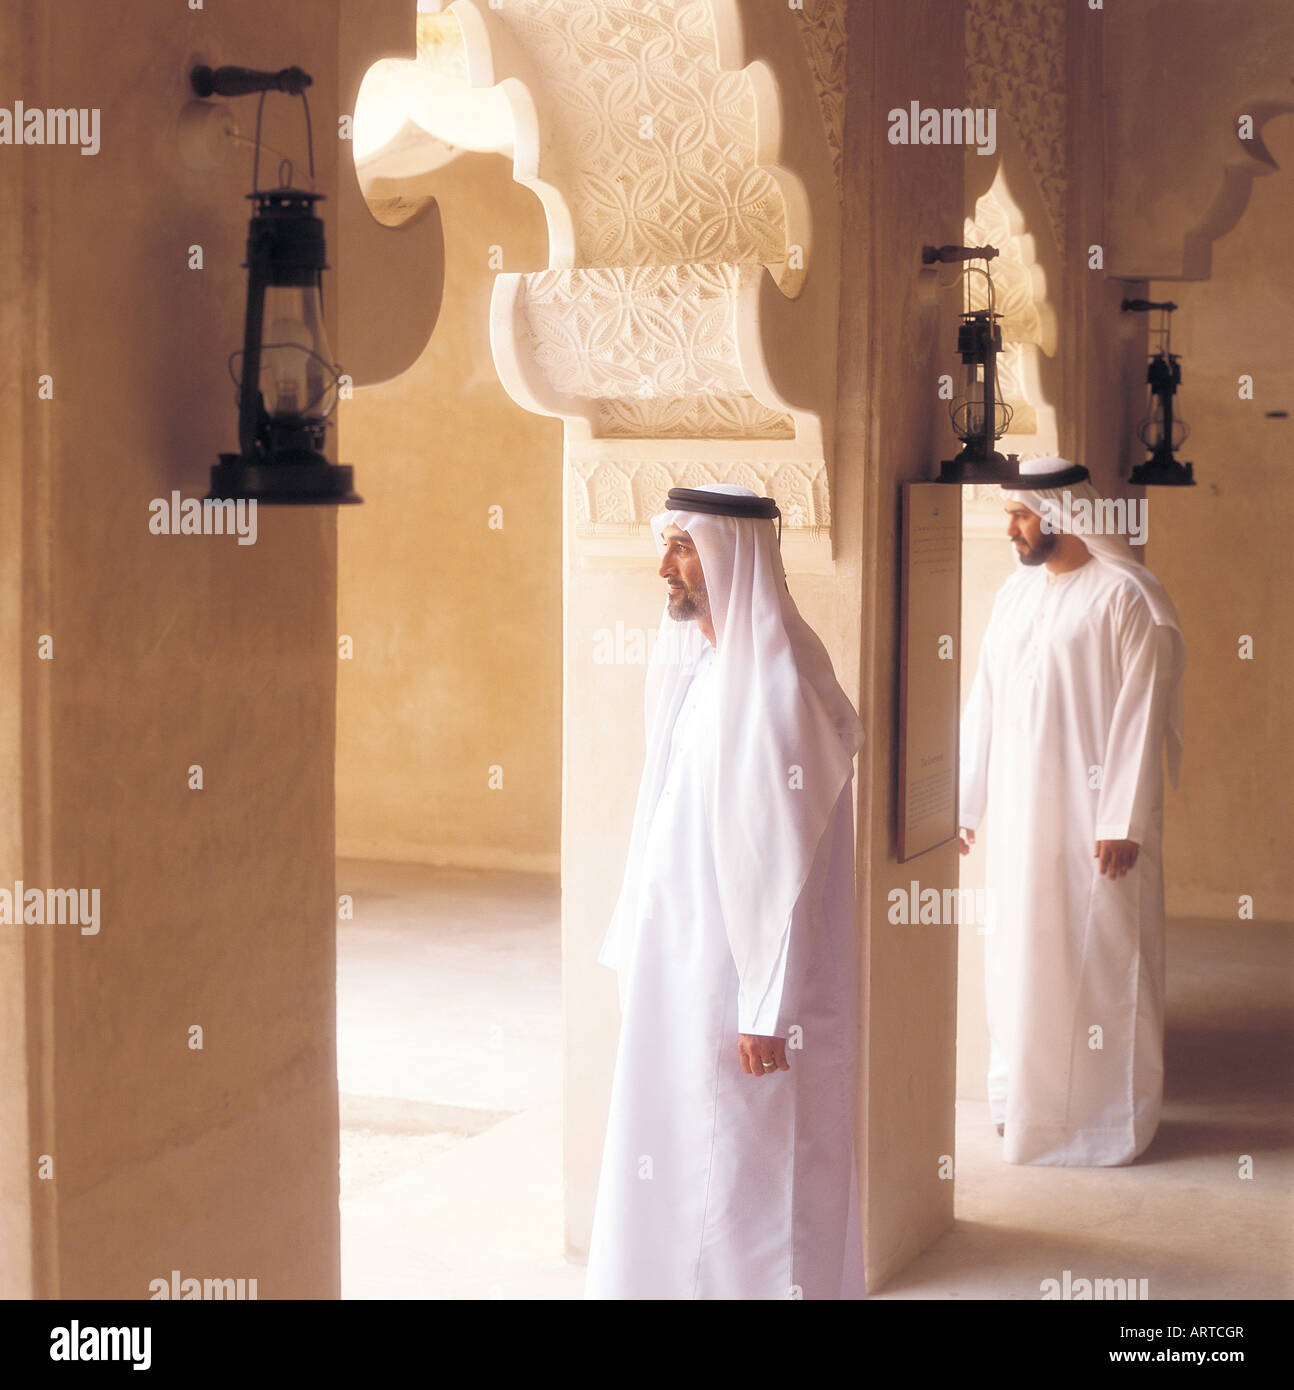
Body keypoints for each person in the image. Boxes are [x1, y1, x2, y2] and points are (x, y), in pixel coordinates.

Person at [585, 483, 866, 1299]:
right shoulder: (704, 673)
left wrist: (765, 1009)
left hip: (741, 987)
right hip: (680, 965)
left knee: (748, 1168)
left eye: (681, 548)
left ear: (729, 557)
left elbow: (790, 867)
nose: (663, 566)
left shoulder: (780, 692)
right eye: (668, 546)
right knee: (677, 1150)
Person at [958, 457, 1186, 1166]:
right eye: (1008, 516)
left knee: (1100, 961)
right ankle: (1022, 1103)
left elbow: (1140, 714)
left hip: (1094, 827)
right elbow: (985, 699)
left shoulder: (1127, 597)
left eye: (1021, 515)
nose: (1012, 530)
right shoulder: (1014, 597)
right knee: (1019, 956)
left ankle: (1103, 1119)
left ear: (1062, 513)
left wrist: (1122, 820)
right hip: (1022, 823)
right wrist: (965, 802)